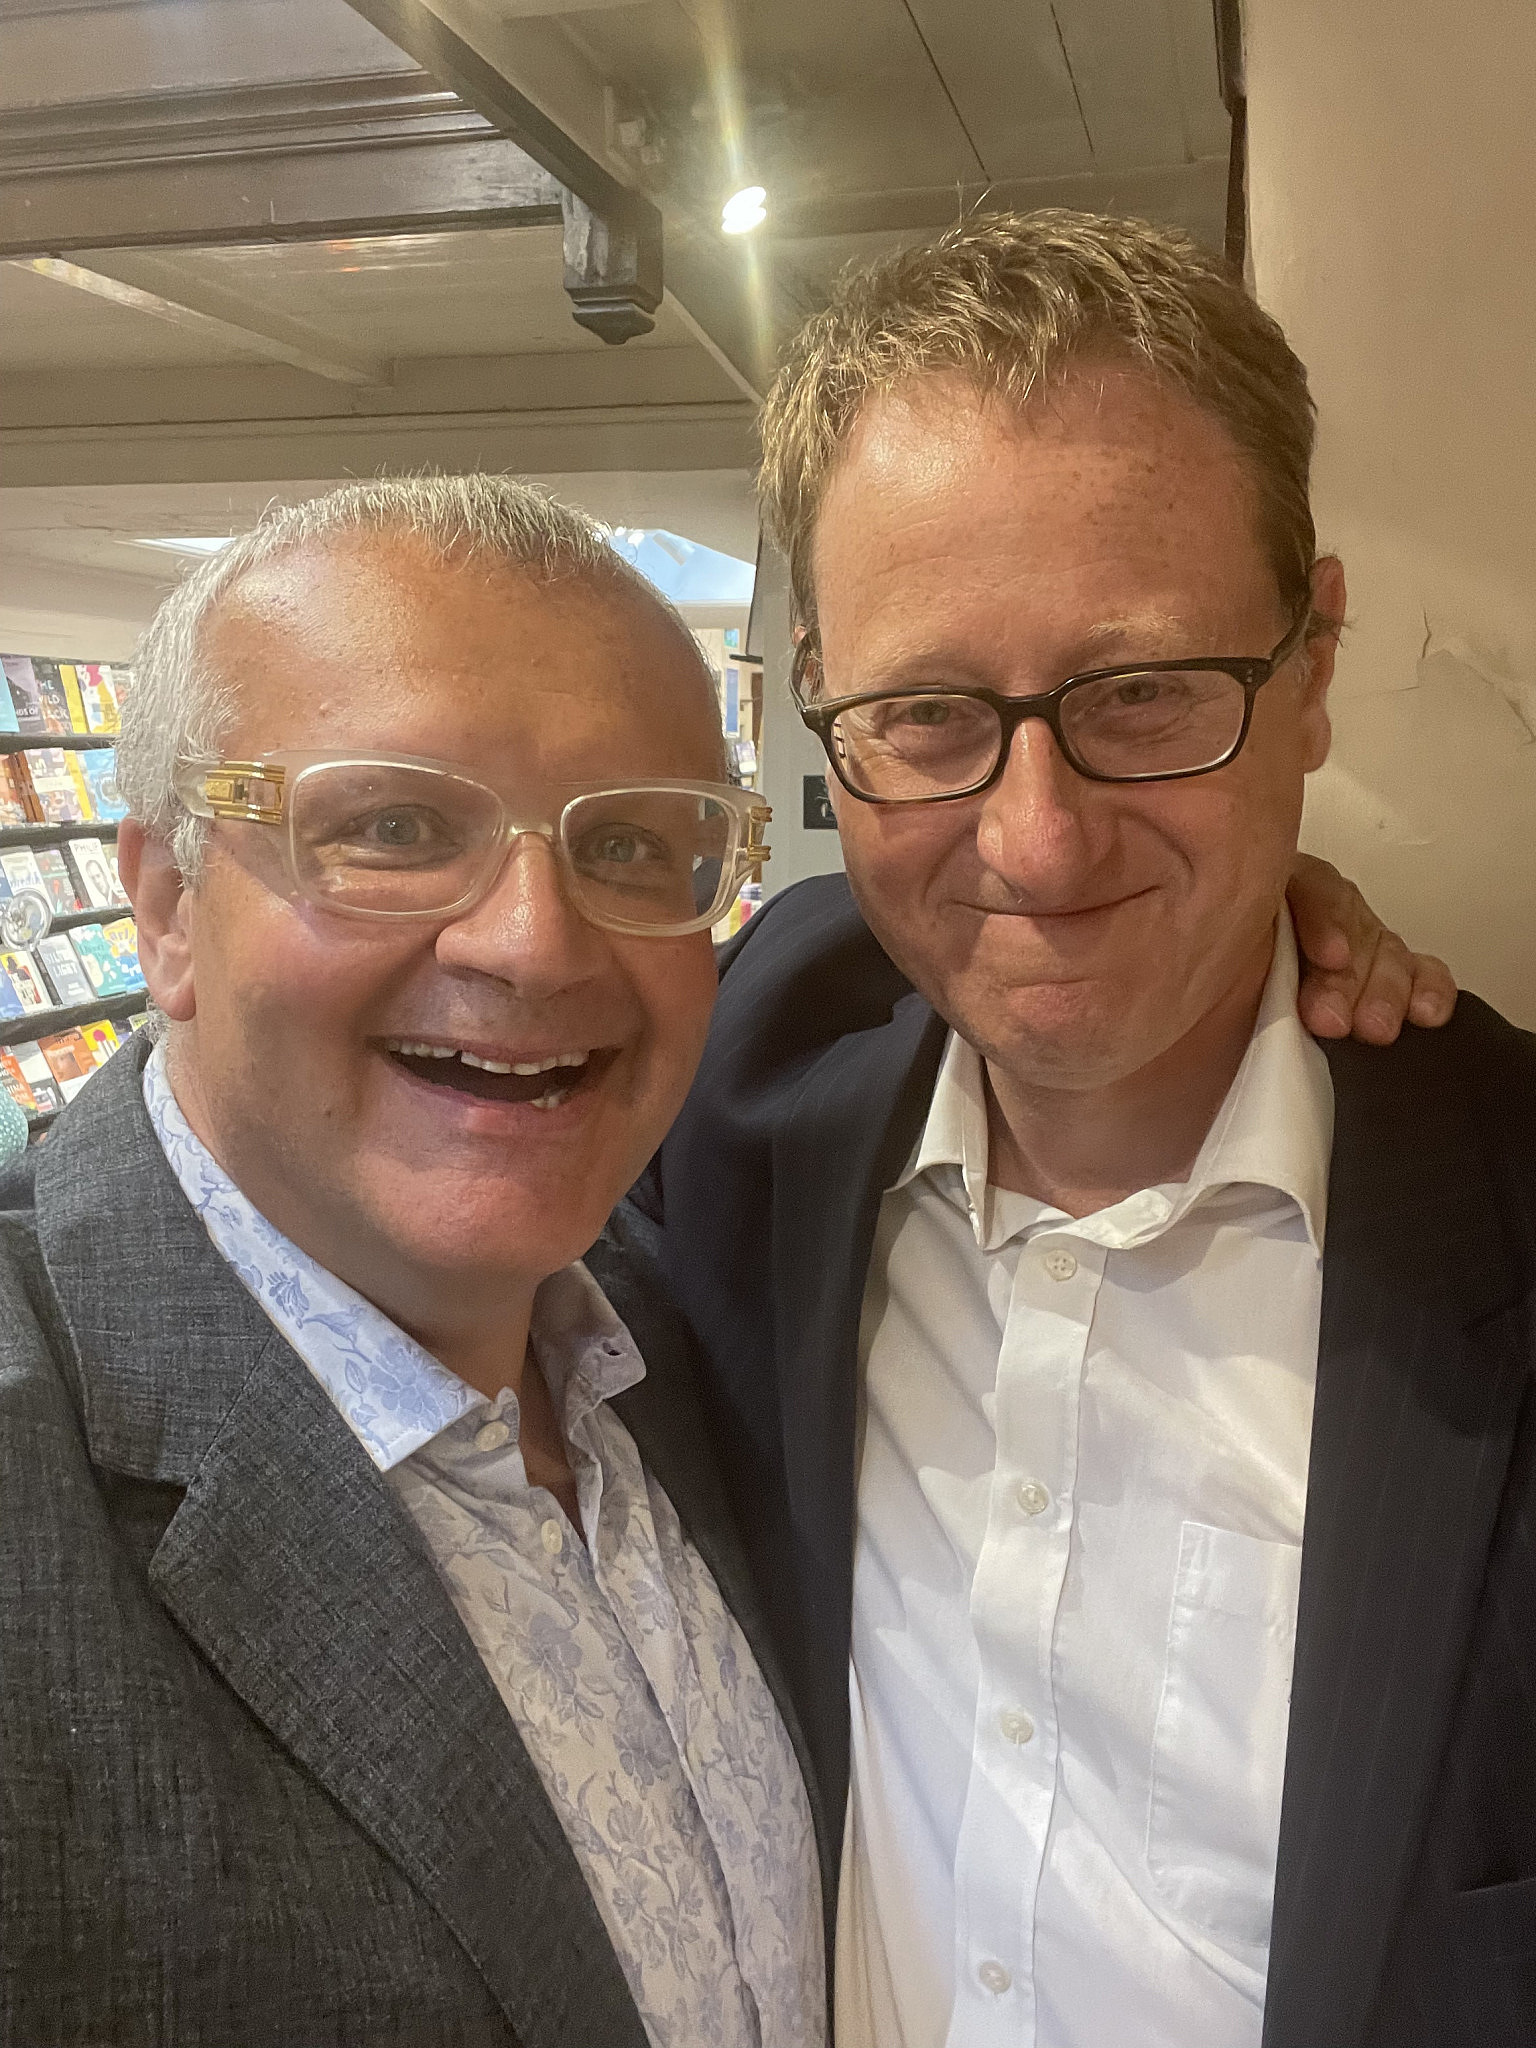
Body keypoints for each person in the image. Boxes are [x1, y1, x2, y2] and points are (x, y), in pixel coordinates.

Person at [636, 211, 1536, 2048]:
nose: (1035, 842)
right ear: (820, 701)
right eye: (927, 714)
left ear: (1312, 664)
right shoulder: (751, 1061)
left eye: (1141, 694)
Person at [0, 477, 826, 2048]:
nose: (534, 943)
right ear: (166, 907)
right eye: (391, 828)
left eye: (633, 843)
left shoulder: (678, 1323)